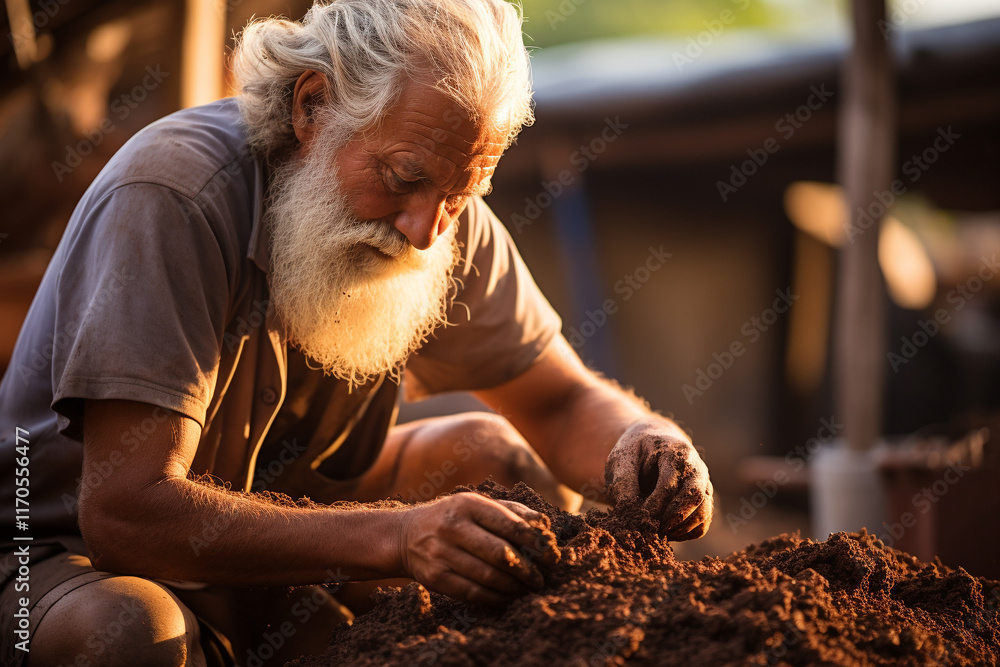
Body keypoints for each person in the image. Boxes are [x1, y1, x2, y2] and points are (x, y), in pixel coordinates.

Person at [0, 0, 713, 664]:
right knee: (132, 633)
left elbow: (560, 402)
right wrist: (399, 536)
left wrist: (644, 442)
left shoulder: (437, 216)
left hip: (273, 542)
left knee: (496, 463)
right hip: (58, 559)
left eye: (460, 195)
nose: (424, 232)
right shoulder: (173, 196)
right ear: (313, 105)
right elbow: (127, 512)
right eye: (403, 176)